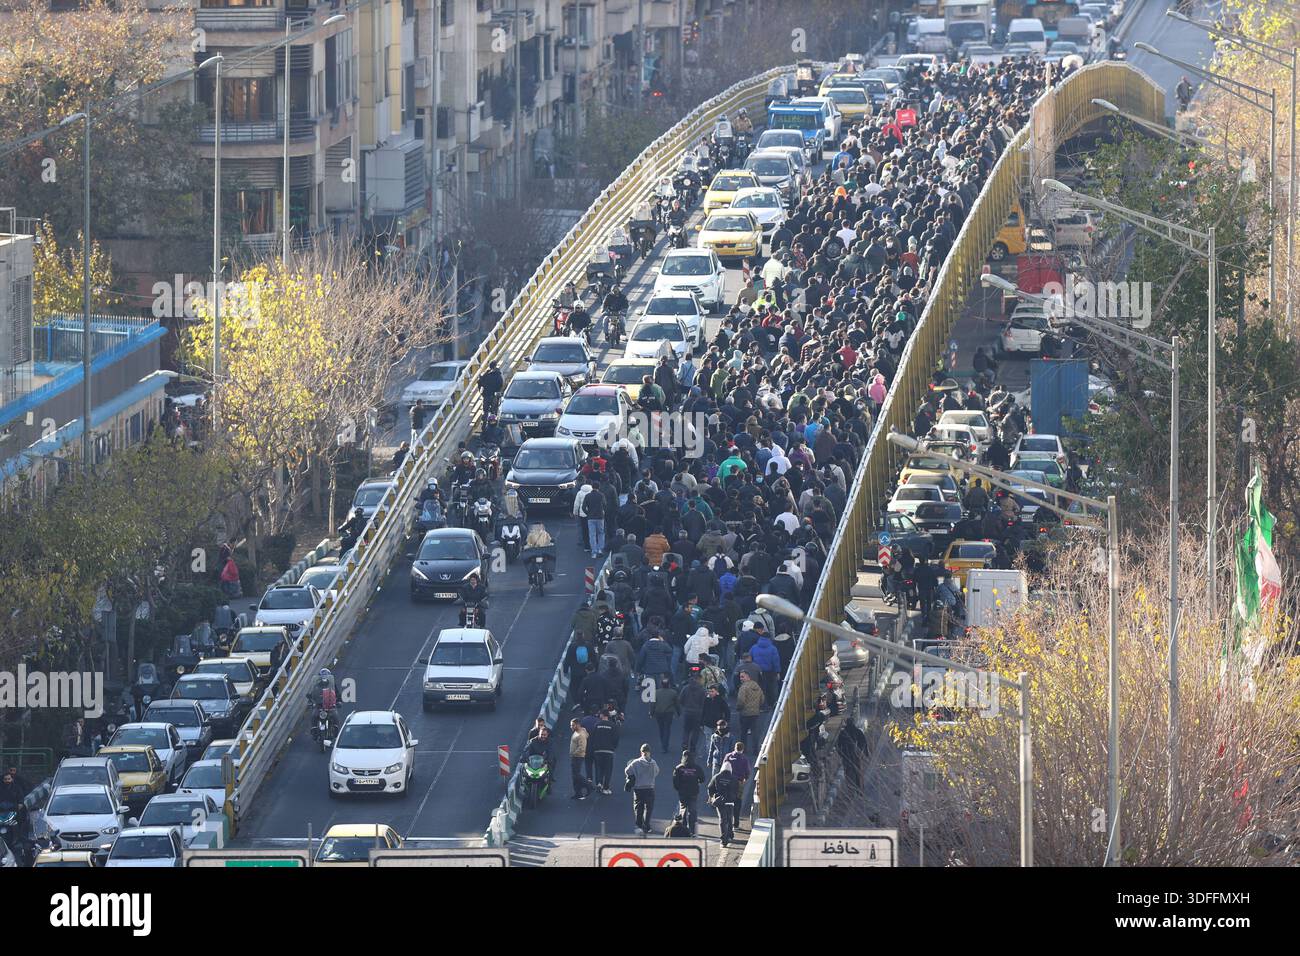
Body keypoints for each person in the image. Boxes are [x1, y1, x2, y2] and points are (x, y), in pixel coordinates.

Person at [624, 743, 660, 836]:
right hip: (650, 788)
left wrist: (633, 777)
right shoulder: (653, 763)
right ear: (649, 752)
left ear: (641, 752)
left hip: (639, 788)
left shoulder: (636, 762)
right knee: (649, 808)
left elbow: (627, 771)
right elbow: (657, 772)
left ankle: (638, 825)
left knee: (638, 808)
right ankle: (647, 825)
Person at [708, 761, 741, 847]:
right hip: (730, 802)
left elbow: (710, 787)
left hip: (720, 802)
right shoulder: (734, 778)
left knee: (722, 820)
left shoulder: (717, 777)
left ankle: (724, 840)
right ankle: (730, 835)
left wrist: (712, 797)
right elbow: (738, 790)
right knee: (729, 818)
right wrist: (734, 797)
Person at [672, 749, 704, 835]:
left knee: (683, 810)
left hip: (683, 793)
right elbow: (702, 779)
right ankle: (692, 831)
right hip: (693, 792)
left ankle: (683, 829)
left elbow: (675, 781)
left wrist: (679, 788)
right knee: (692, 812)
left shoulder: (679, 768)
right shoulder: (697, 768)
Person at [589, 706, 620, 793]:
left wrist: (594, 747)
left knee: (599, 767)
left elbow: (592, 737)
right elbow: (616, 738)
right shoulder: (613, 726)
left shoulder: (597, 725)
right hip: (609, 750)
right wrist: (613, 747)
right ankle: (606, 787)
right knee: (608, 769)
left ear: (602, 715)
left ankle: (599, 783)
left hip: (598, 750)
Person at [735, 670, 765, 751]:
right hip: (755, 713)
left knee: (743, 733)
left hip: (745, 713)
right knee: (755, 733)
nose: (741, 678)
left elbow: (741, 701)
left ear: (748, 677)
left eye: (742, 676)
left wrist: (738, 708)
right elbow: (762, 699)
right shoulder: (756, 686)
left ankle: (743, 749)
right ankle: (756, 750)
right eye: (740, 677)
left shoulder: (743, 687)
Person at [651, 676, 680, 754]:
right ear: (669, 684)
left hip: (658, 713)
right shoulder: (673, 693)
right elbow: (677, 704)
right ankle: (665, 745)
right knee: (667, 729)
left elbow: (653, 704)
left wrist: (651, 713)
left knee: (661, 728)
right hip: (668, 713)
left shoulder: (656, 692)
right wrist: (678, 713)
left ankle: (662, 743)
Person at [569, 718, 592, 800]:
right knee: (575, 776)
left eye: (573, 725)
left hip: (577, 757)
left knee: (576, 775)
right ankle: (578, 793)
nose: (571, 727)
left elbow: (582, 748)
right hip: (575, 756)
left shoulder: (581, 735)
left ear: (578, 725)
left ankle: (588, 785)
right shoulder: (578, 732)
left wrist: (573, 754)